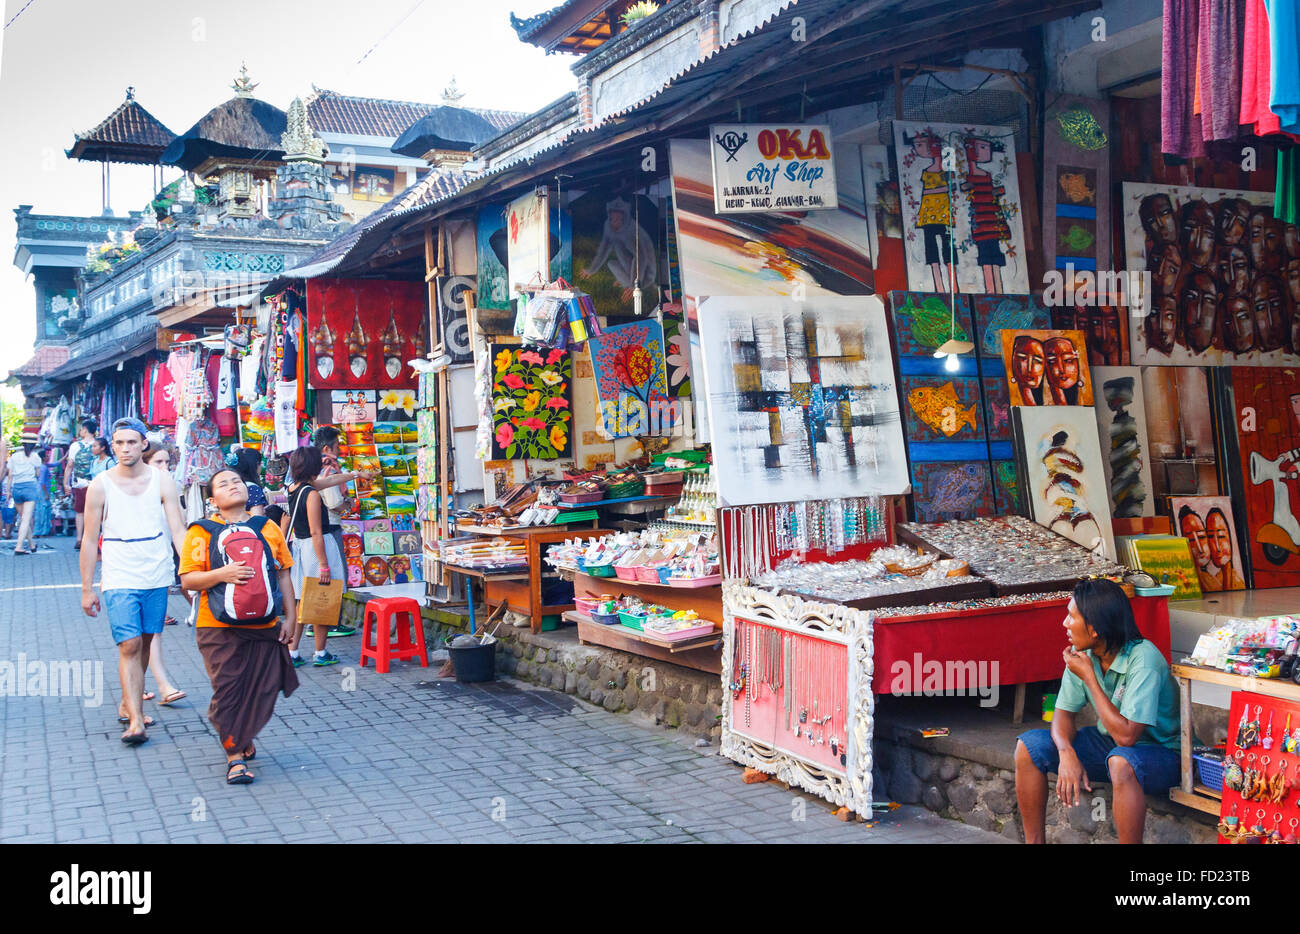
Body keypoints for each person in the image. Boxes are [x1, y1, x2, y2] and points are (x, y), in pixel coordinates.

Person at [1015, 579, 1181, 844]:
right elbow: (1062, 715)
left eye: (1072, 617)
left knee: (1121, 761)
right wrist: (1066, 752)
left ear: (1094, 629)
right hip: (1110, 744)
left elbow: (1128, 738)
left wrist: (1090, 679)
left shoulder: (1144, 659)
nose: (1065, 624)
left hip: (1165, 754)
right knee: (1029, 746)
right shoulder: (1085, 655)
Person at [180, 467, 298, 785]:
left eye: (237, 481)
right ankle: (234, 756)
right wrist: (223, 574)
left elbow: (284, 574)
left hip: (265, 624)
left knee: (262, 686)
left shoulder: (267, 527)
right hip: (215, 626)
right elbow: (188, 579)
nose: (233, 486)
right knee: (229, 687)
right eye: (223, 483)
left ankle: (240, 733)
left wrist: (292, 618)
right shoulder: (201, 531)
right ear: (212, 498)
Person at [79, 418, 187, 744]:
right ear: (112, 446)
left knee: (146, 641)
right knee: (129, 644)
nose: (124, 448)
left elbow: (179, 530)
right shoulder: (100, 485)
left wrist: (190, 571)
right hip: (119, 574)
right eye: (118, 443)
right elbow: (88, 539)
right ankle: (136, 721)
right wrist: (86, 588)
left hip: (156, 572)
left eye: (131, 442)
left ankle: (128, 702)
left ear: (143, 445)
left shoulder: (163, 481)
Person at [133, 442, 188, 709]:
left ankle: (136, 689)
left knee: (150, 632)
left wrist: (189, 564)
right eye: (159, 463)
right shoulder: (132, 492)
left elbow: (178, 531)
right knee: (142, 634)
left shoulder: (168, 490)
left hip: (160, 568)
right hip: (131, 571)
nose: (165, 468)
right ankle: (161, 685)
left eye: (168, 463)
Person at [281, 446, 345, 667]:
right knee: (322, 600)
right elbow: (316, 531)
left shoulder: (294, 488)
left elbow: (327, 482)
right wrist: (324, 565)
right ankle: (320, 652)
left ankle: (293, 652)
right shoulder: (313, 494)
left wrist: (355, 475)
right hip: (317, 549)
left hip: (300, 548)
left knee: (302, 602)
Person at [3, 432, 44, 555]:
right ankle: (19, 546)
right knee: (26, 519)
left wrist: (8, 491)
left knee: (23, 519)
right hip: (30, 488)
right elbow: (37, 474)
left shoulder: (14, 457)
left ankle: (31, 544)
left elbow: (10, 475)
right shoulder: (36, 457)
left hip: (16, 488)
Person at [64, 417, 98, 550]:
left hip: (79, 483)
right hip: (96, 483)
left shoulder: (75, 446)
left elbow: (70, 465)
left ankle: (79, 539)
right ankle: (93, 539)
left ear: (84, 430)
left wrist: (66, 483)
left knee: (80, 511)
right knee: (96, 512)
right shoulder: (99, 444)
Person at [230, 446, 268, 517]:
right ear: (255, 465)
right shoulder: (252, 488)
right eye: (260, 463)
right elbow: (257, 519)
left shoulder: (230, 487)